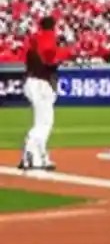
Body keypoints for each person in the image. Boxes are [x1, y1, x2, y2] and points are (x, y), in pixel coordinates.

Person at [19, 16, 69, 171]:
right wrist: (65, 52)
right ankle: (30, 153)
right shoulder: (49, 39)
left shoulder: (34, 38)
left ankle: (38, 156)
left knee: (41, 122)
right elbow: (50, 59)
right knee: (45, 123)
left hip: (31, 82)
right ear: (53, 26)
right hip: (41, 83)